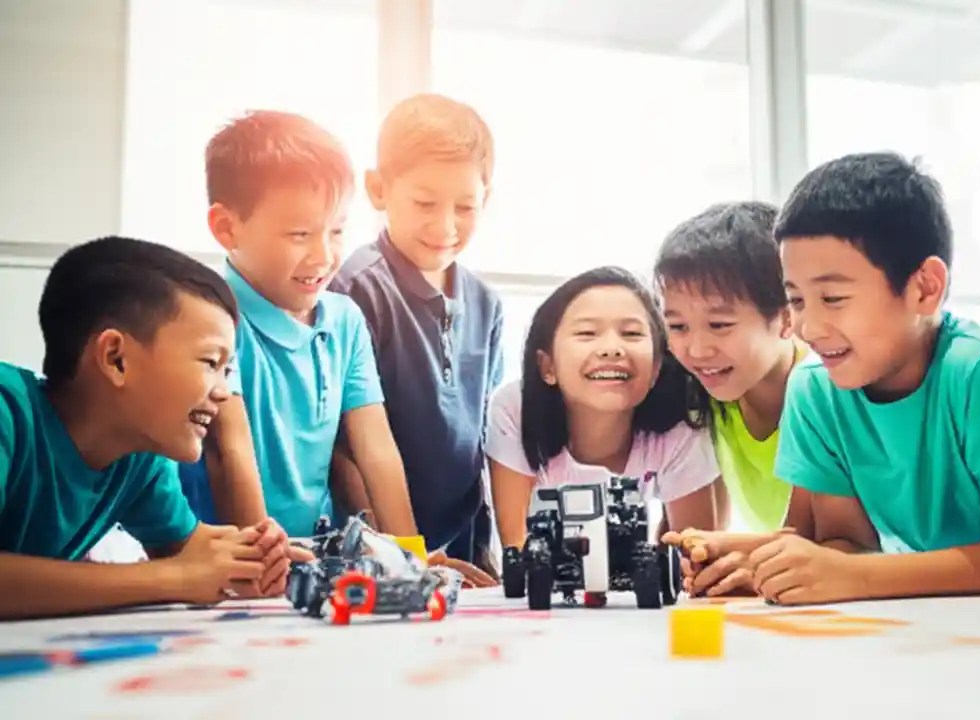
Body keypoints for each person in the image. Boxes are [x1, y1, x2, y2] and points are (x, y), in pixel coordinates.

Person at [667, 153, 980, 603]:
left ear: (925, 288)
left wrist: (855, 577)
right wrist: (760, 562)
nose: (809, 328)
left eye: (832, 298)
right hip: (960, 617)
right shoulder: (815, 389)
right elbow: (847, 545)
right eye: (796, 300)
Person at [0, 236, 307, 620]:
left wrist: (251, 558)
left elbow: (186, 551)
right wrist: (170, 578)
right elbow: (177, 571)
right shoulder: (7, 411)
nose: (223, 393)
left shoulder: (138, 457)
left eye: (226, 371)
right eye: (211, 362)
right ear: (116, 359)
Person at [185, 110, 420, 543]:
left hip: (317, 552)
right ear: (226, 227)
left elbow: (376, 448)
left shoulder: (345, 320)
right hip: (233, 553)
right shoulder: (209, 316)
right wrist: (264, 559)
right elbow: (229, 450)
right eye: (298, 235)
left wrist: (412, 558)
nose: (324, 257)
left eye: (335, 231)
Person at [330, 94, 503, 575]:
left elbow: (485, 441)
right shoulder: (357, 287)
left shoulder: (487, 304)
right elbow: (347, 448)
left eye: (466, 207)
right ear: (378, 188)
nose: (445, 226)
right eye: (425, 203)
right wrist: (398, 555)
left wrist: (488, 548)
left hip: (463, 548)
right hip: (382, 551)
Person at [486, 267, 721, 601]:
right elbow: (518, 548)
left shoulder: (679, 424)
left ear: (655, 368)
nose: (612, 348)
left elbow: (696, 557)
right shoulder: (516, 410)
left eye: (631, 334)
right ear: (547, 366)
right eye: (586, 333)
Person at [653, 201, 809, 535]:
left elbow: (818, 541)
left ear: (786, 317)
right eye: (678, 326)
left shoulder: (824, 390)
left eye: (720, 324)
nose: (696, 350)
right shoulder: (702, 391)